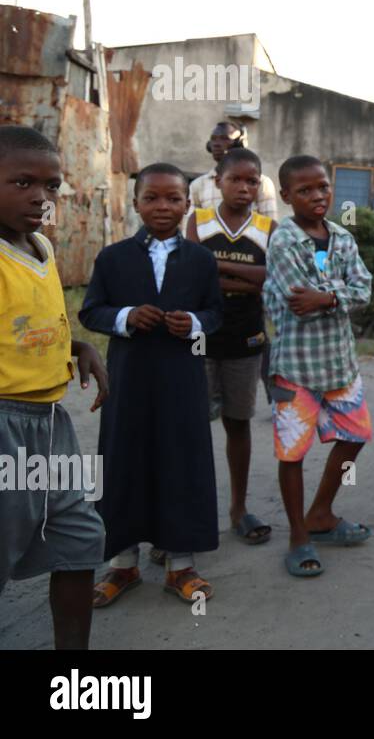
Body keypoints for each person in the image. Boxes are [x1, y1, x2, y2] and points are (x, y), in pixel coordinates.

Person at [80, 163, 223, 606]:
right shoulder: (113, 257)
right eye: (152, 198)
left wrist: (195, 322)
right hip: (130, 379)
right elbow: (91, 311)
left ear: (187, 203)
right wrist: (124, 317)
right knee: (125, 460)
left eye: (173, 198)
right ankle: (122, 564)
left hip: (182, 379)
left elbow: (217, 314)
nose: (163, 207)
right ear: (137, 203)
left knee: (182, 461)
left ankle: (180, 565)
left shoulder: (201, 260)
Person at [0, 126, 109, 648]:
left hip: (50, 423)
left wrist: (75, 348)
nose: (40, 198)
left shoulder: (39, 244)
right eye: (22, 182)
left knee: (79, 538)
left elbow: (33, 321)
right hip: (4, 423)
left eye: (51, 186)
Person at [263, 156, 374, 578]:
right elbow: (298, 302)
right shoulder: (283, 240)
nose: (318, 196)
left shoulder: (343, 237)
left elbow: (364, 290)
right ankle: (297, 534)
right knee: (291, 454)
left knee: (357, 436)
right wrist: (337, 295)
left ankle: (321, 513)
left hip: (340, 365)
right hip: (296, 368)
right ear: (287, 196)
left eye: (323, 187)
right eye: (306, 190)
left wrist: (326, 296)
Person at [185, 148, 276, 546]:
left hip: (246, 340)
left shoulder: (268, 228)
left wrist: (217, 269)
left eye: (252, 180)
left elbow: (271, 279)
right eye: (235, 179)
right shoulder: (198, 221)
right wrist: (250, 278)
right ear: (216, 182)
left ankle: (238, 508)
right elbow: (191, 277)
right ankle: (189, 512)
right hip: (200, 341)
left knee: (238, 424)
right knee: (191, 428)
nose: (244, 187)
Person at [189, 121, 278, 218]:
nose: (216, 144)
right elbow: (188, 225)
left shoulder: (262, 183)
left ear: (239, 143)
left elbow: (270, 225)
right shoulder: (197, 185)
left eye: (224, 138)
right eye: (213, 139)